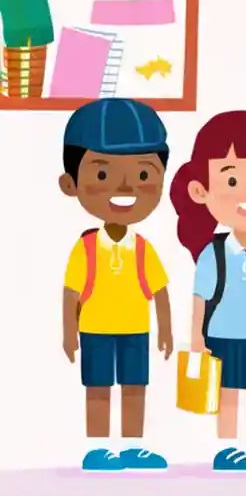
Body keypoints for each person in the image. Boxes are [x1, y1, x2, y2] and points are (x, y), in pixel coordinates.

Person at [171, 111, 246, 472]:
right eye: (233, 179)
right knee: (227, 395)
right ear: (200, 190)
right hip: (223, 335)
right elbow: (200, 300)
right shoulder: (212, 253)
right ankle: (228, 448)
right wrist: (197, 338)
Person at [58, 98, 174, 472]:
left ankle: (132, 446)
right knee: (98, 390)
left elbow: (160, 291)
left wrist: (166, 330)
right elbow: (71, 292)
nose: (125, 186)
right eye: (103, 175)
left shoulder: (143, 248)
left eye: (143, 176)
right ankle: (97, 448)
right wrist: (68, 332)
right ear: (70, 185)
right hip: (94, 330)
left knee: (135, 389)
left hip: (135, 330)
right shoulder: (86, 248)